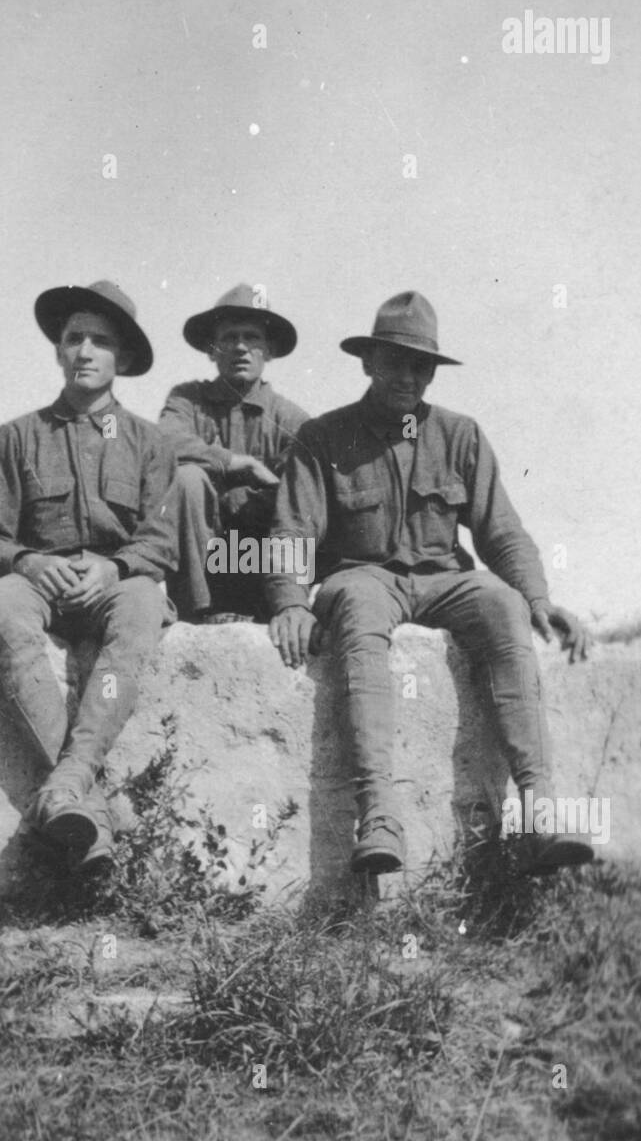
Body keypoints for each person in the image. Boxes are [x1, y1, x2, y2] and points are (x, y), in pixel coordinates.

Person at [265, 290, 593, 878]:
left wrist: (539, 598)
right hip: (361, 576)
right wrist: (291, 601)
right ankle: (381, 816)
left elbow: (502, 530)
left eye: (422, 365)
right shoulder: (322, 437)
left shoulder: (460, 435)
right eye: (396, 360)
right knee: (360, 610)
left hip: (444, 579)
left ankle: (540, 808)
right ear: (368, 363)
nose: (409, 375)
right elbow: (293, 528)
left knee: (503, 604)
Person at [0, 280, 178, 874]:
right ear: (58, 351)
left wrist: (114, 566)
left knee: (142, 607)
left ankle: (71, 783)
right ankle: (90, 811)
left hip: (115, 585)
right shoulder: (15, 437)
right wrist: (29, 562)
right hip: (37, 583)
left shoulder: (150, 442)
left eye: (100, 341)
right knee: (1, 608)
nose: (84, 350)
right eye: (73, 338)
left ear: (124, 360)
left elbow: (161, 543)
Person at [159, 284, 309, 619]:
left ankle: (285, 609)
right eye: (228, 338)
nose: (240, 347)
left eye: (252, 338)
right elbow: (164, 440)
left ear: (269, 351)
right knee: (186, 478)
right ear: (212, 351)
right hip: (204, 561)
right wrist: (235, 463)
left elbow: (305, 499)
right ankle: (198, 613)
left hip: (262, 565)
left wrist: (268, 487)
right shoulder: (187, 400)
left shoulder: (292, 419)